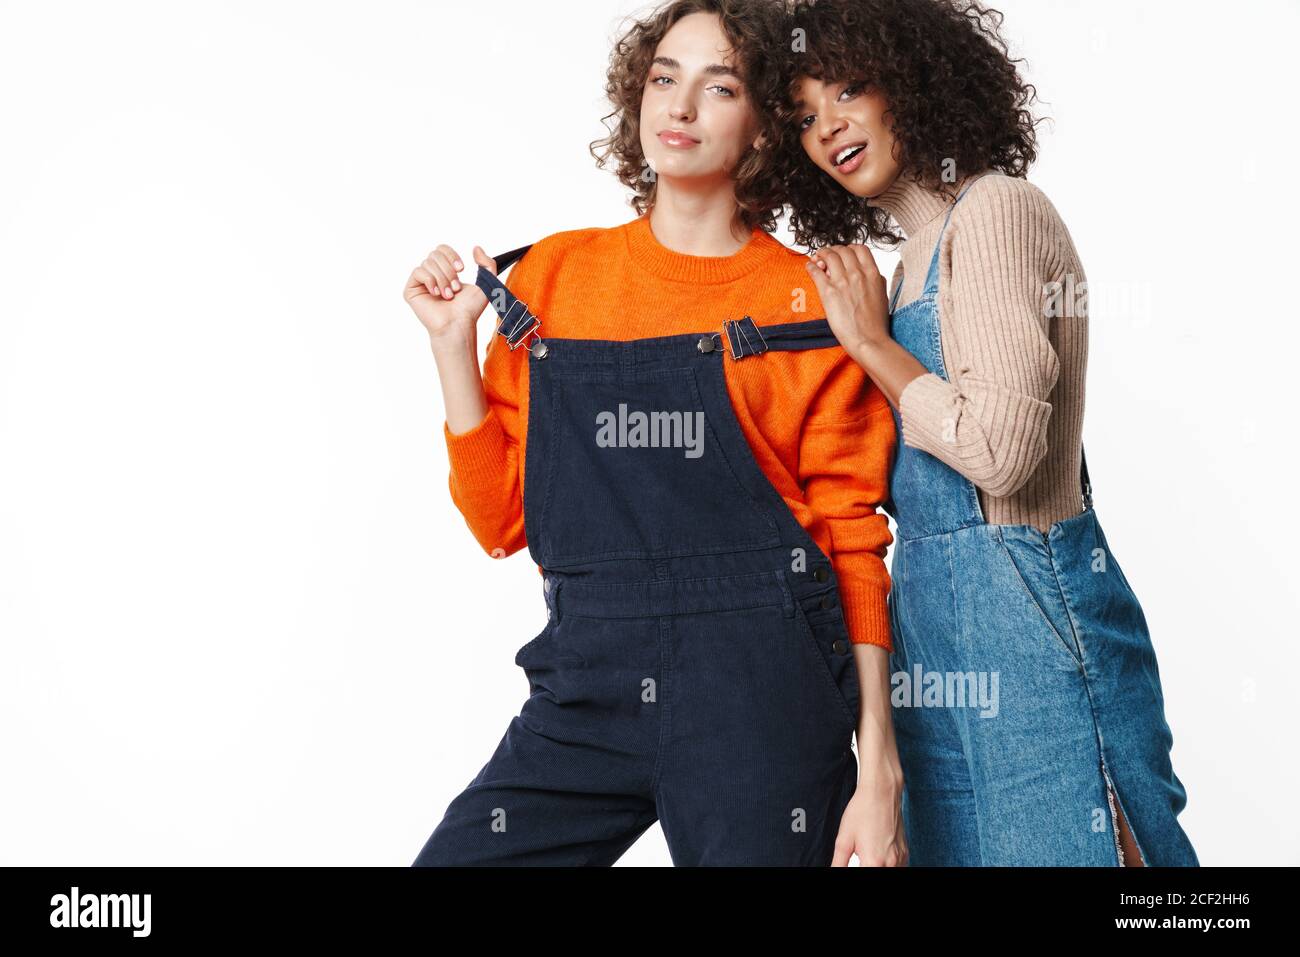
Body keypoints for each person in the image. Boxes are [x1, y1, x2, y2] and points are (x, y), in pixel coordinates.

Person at [402, 0, 906, 866]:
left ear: (761, 131)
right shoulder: (555, 275)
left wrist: (880, 770)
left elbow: (855, 545)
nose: (678, 107)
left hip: (763, 695)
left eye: (719, 88)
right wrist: (454, 351)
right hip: (585, 688)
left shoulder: (810, 301)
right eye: (664, 79)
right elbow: (499, 523)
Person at [768, 0, 1199, 867]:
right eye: (807, 117)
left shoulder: (999, 211)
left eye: (851, 88)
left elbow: (1001, 452)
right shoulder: (900, 268)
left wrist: (872, 347)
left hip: (1031, 607)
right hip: (926, 628)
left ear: (915, 80)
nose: (831, 128)